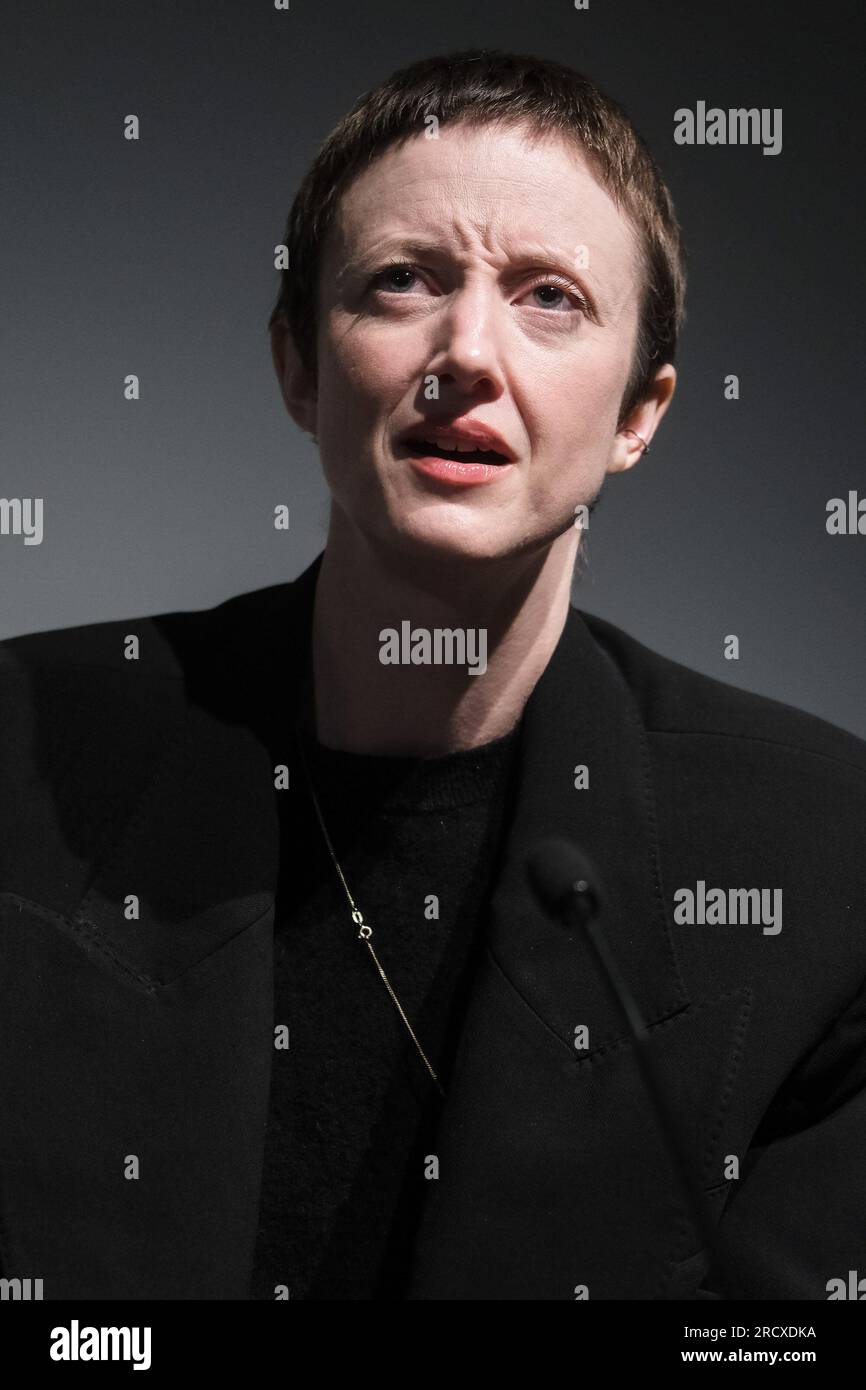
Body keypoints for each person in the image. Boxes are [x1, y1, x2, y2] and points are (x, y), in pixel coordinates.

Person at [1, 49, 864, 1303]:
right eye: (402, 281)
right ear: (297, 366)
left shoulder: (823, 860)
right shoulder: (22, 753)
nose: (466, 350)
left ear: (640, 412)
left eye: (549, 297)